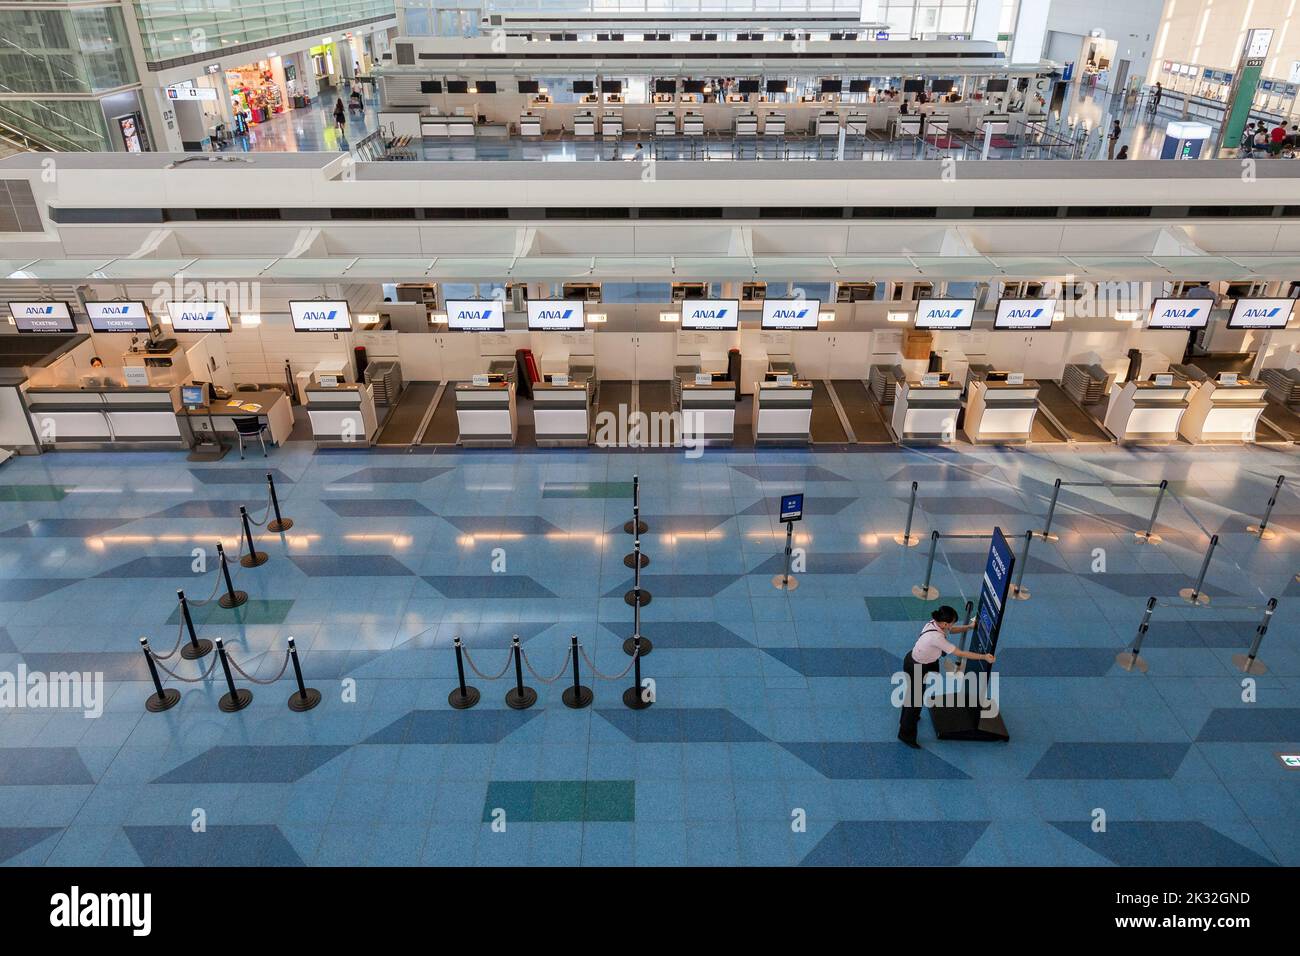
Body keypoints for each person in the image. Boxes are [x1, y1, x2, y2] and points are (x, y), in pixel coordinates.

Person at [898, 605, 994, 749]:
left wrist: (969, 627)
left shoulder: (934, 623)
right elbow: (959, 653)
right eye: (952, 622)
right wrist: (984, 657)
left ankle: (908, 718)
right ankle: (905, 734)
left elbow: (952, 630)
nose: (953, 625)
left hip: (917, 660)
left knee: (914, 695)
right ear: (944, 623)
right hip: (917, 667)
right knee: (914, 700)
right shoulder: (936, 637)